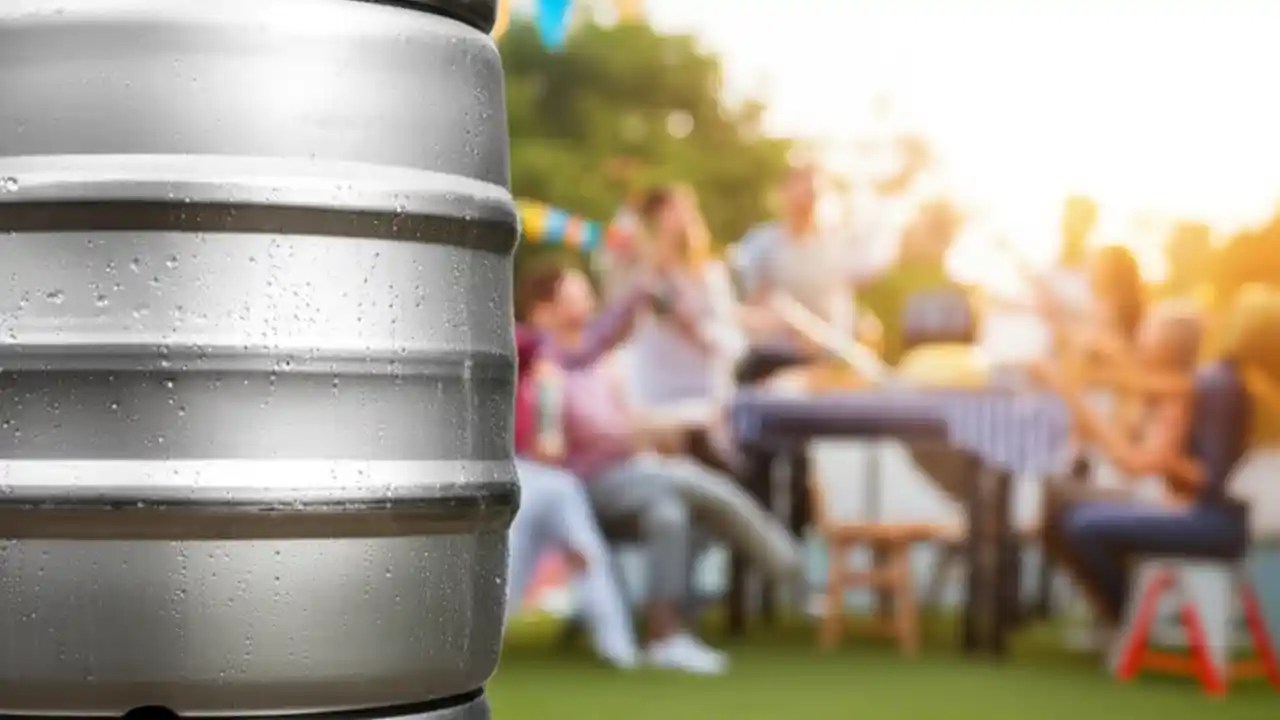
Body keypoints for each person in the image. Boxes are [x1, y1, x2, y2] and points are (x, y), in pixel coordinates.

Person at [518, 265, 804, 675]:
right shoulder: (543, 369)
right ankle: (783, 562)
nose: (588, 302)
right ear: (542, 310)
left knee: (668, 514)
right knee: (693, 482)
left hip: (630, 476)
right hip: (587, 487)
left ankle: (665, 636)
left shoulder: (598, 364)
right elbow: (559, 444)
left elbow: (627, 427)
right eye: (575, 295)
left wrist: (679, 424)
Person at [1037, 300, 1241, 631]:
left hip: (1167, 503)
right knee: (1055, 500)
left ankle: (1130, 614)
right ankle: (1116, 610)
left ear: (1167, 345)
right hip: (1149, 495)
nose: (1140, 338)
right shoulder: (1157, 389)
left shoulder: (1181, 394)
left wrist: (1070, 393)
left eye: (1149, 331)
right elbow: (1116, 437)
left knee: (1072, 515)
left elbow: (1132, 461)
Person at [507, 328, 639, 670]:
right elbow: (537, 346)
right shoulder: (520, 346)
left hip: (547, 475)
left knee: (585, 550)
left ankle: (617, 647)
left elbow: (576, 351)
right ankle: (480, 644)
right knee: (510, 556)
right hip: (508, 469)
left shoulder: (542, 365)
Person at [732, 164, 876, 383]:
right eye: (802, 193)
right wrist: (792, 325)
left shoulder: (840, 243)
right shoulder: (761, 243)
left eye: (814, 194)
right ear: (783, 194)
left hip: (830, 360)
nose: (807, 201)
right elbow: (754, 300)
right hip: (773, 359)